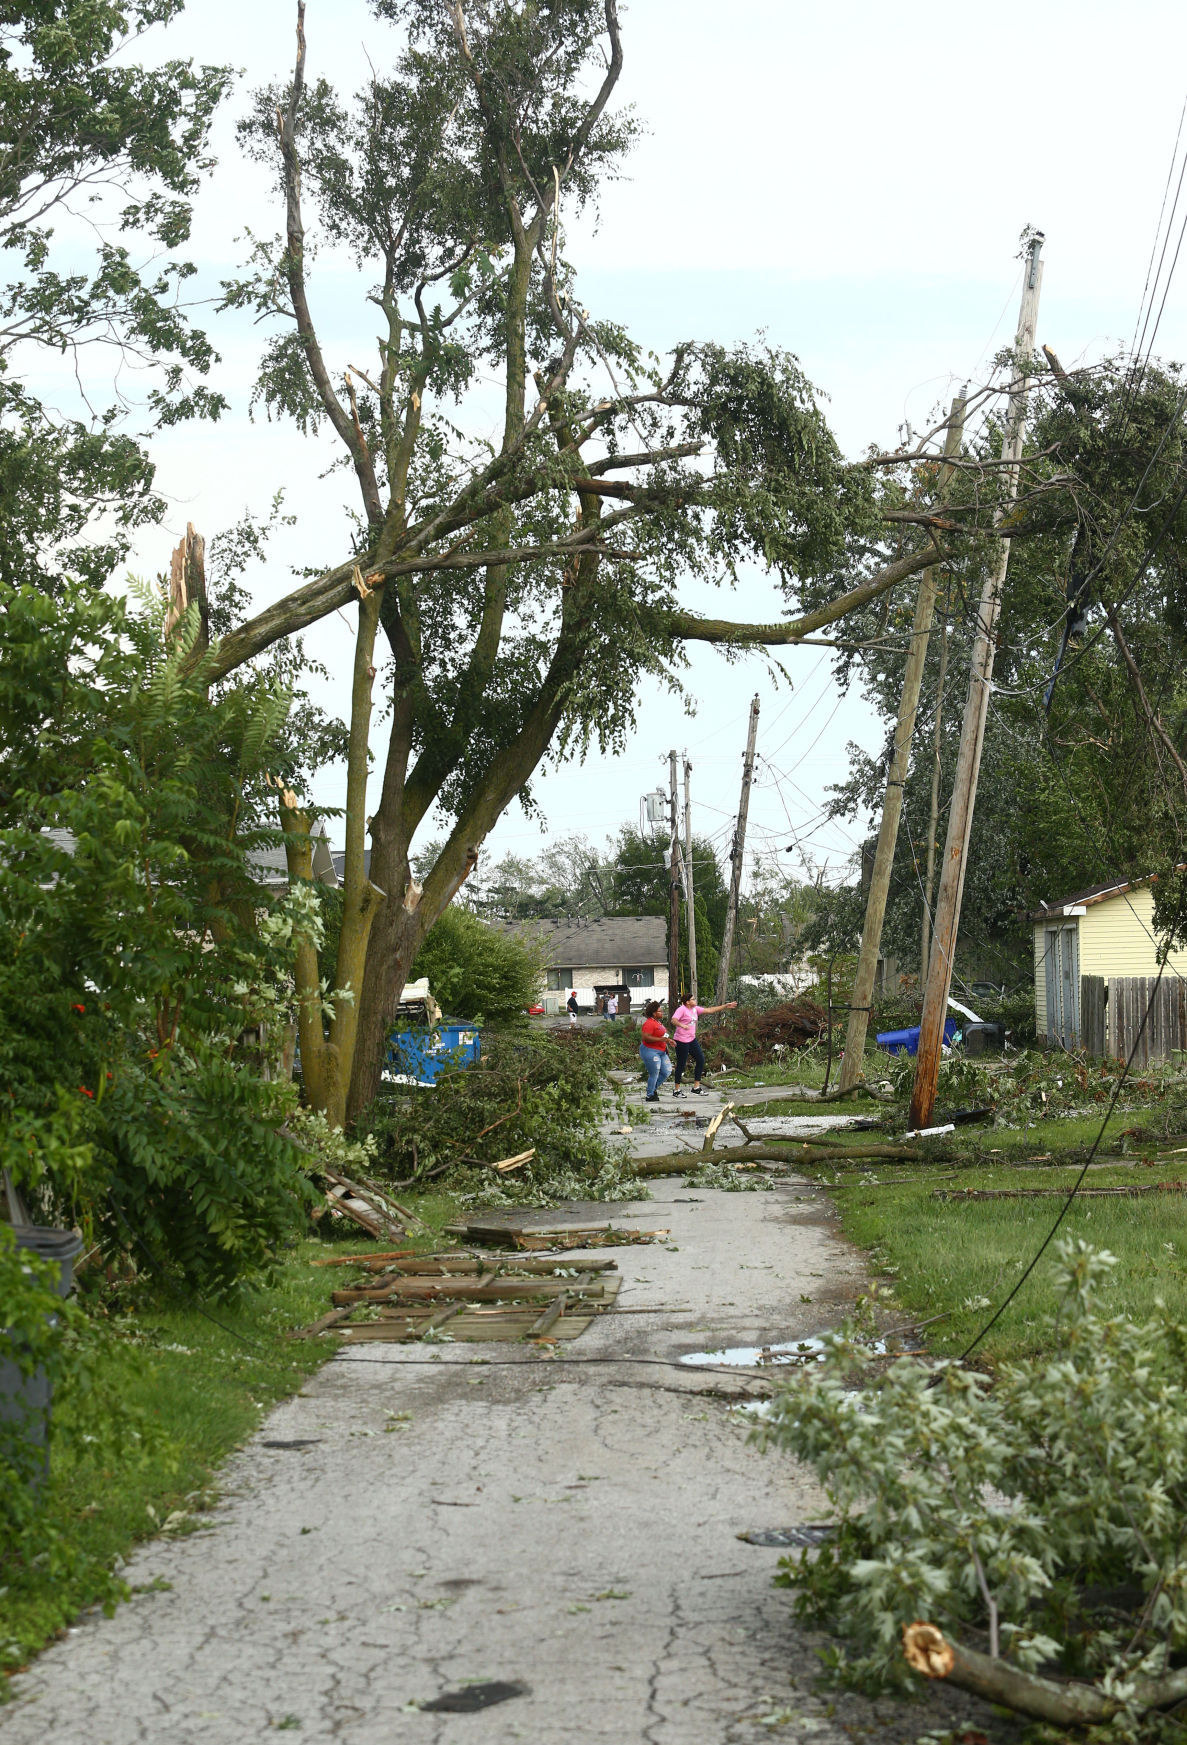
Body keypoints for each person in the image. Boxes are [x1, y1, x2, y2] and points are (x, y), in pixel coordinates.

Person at [670, 994, 737, 1095]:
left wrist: (725, 1006)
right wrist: (682, 1025)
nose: (695, 1000)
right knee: (681, 1064)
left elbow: (710, 1010)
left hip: (691, 1039)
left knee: (700, 1059)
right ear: (687, 1002)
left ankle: (696, 1087)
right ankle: (676, 1090)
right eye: (693, 999)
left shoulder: (695, 1009)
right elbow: (673, 1020)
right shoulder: (682, 1009)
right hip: (681, 1040)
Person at [639, 999, 672, 1101]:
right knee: (655, 1072)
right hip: (650, 1051)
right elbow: (645, 1037)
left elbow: (663, 1036)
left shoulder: (658, 1022)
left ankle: (653, 1089)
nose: (662, 1012)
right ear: (654, 1013)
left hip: (662, 1051)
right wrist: (661, 1039)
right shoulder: (649, 1023)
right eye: (660, 1011)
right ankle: (650, 1095)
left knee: (667, 1071)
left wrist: (668, 1041)